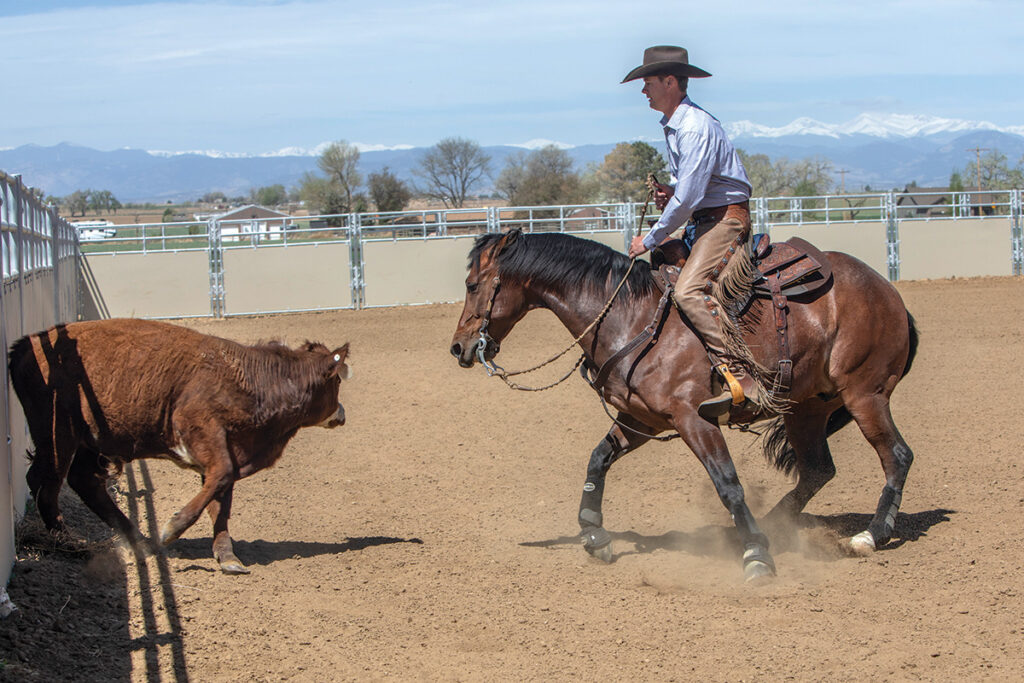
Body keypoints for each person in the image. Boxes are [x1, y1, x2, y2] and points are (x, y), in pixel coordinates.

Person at [622, 45, 761, 419]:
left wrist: (649, 239)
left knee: (688, 290)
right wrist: (671, 192)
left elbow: (690, 196)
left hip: (725, 220)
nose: (643, 91)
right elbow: (687, 191)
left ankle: (742, 377)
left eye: (647, 82)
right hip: (706, 218)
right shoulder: (677, 125)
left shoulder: (695, 127)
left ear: (670, 81)